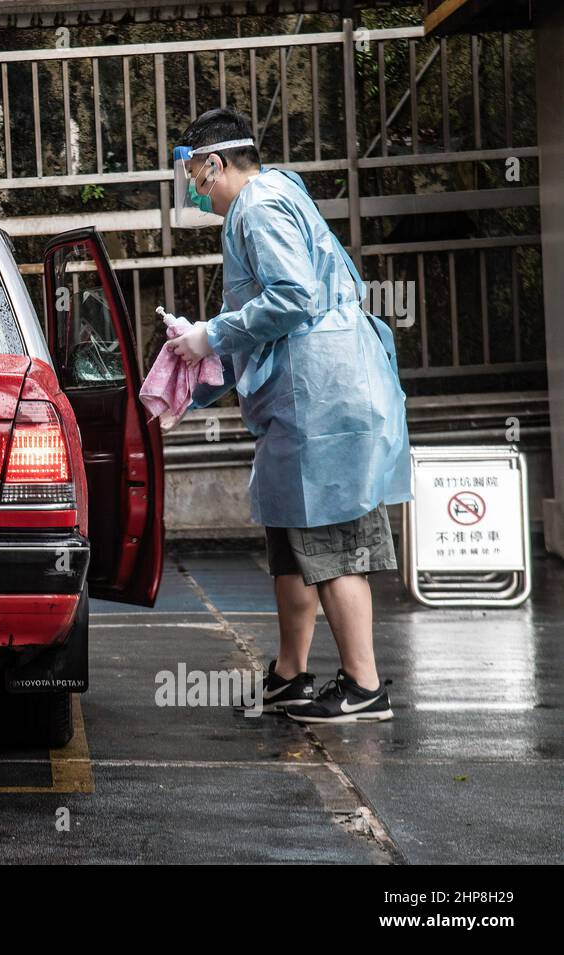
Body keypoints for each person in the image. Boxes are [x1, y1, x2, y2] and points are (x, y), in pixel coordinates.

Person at [165, 107, 411, 723]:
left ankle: (364, 685)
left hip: (321, 401)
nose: (194, 187)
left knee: (330, 543)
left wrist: (211, 336)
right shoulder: (277, 193)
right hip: (303, 397)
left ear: (214, 163)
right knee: (292, 543)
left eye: (194, 172)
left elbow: (293, 296)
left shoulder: (259, 206)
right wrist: (201, 361)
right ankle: (290, 675)